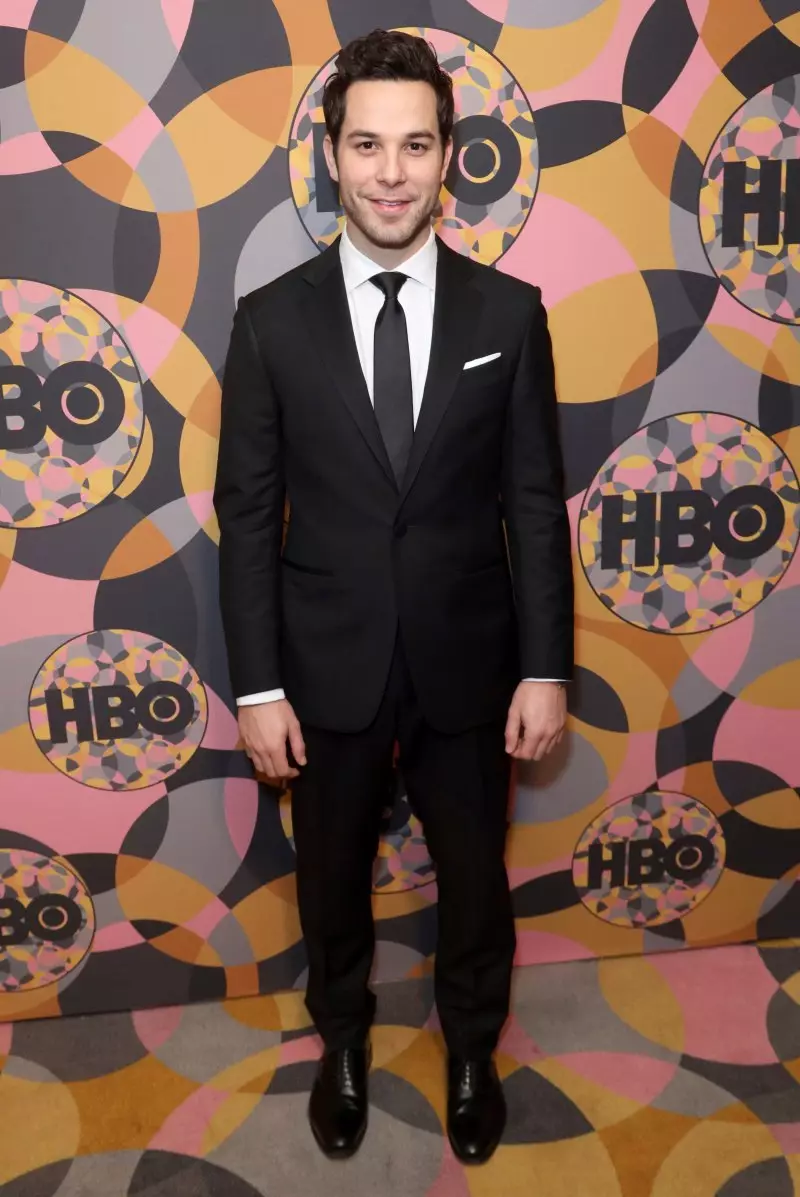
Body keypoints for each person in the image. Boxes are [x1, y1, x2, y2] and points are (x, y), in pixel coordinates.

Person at [213, 27, 573, 1166]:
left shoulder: (507, 315)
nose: (388, 171)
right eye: (365, 143)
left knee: (474, 883)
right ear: (329, 153)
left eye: (414, 146)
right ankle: (345, 1044)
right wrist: (260, 685)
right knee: (330, 887)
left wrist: (545, 665)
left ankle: (470, 1048)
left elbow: (531, 502)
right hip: (324, 670)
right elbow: (247, 519)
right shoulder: (270, 321)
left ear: (449, 157)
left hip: (473, 664)